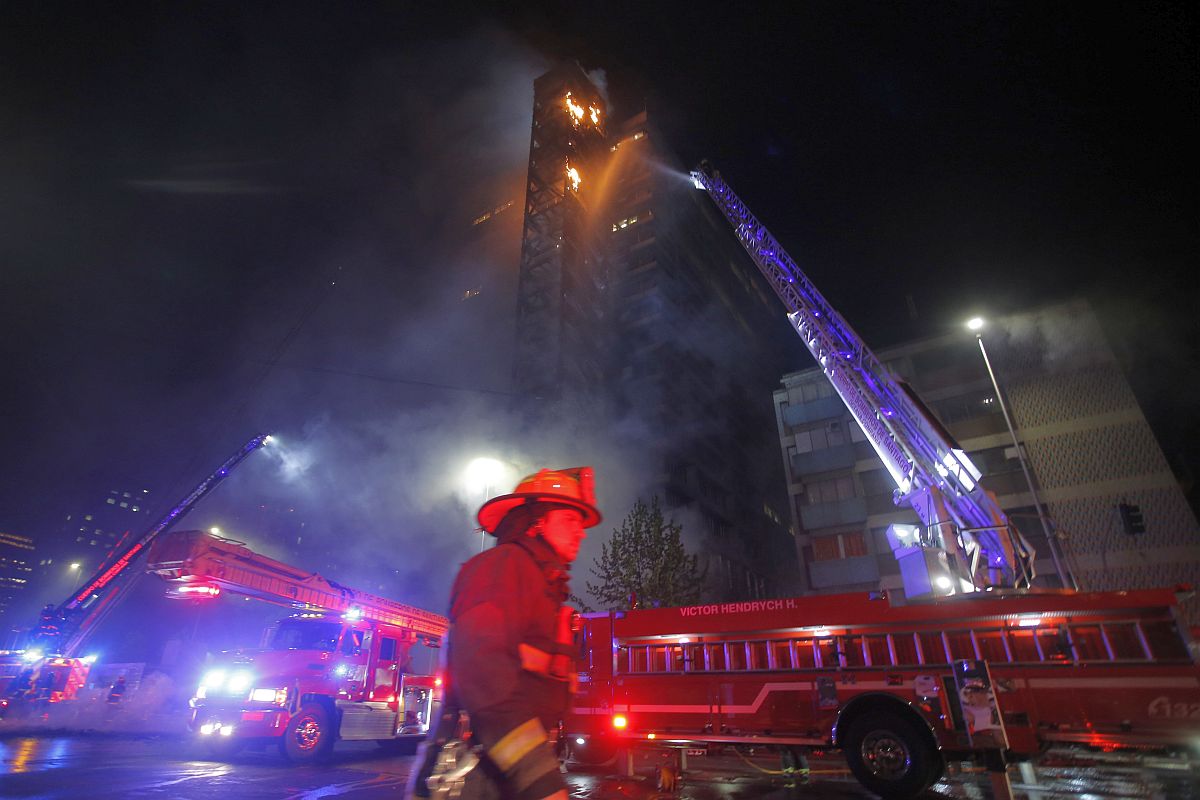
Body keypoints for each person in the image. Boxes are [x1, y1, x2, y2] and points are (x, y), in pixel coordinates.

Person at [419, 467, 602, 800]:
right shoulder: (501, 567)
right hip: (477, 778)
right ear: (537, 521)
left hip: (505, 776)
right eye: (570, 520)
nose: (582, 533)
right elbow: (485, 676)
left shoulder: (539, 583)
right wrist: (538, 777)